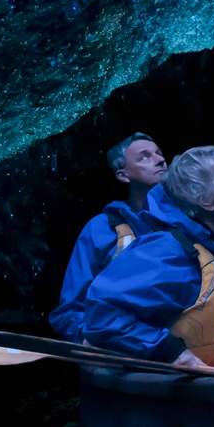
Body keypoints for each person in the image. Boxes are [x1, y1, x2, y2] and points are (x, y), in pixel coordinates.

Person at [83, 146, 214, 367]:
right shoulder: (167, 252)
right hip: (177, 392)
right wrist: (170, 352)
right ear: (205, 201)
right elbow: (103, 315)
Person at [49, 132, 166, 342]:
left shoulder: (187, 223)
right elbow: (70, 308)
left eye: (159, 153)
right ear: (123, 175)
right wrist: (88, 340)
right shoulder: (101, 229)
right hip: (117, 350)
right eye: (145, 157)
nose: (160, 159)